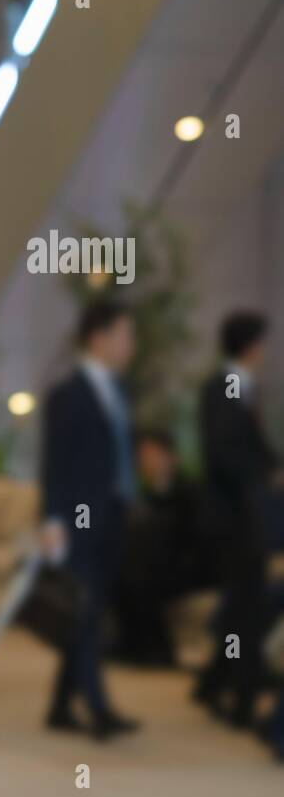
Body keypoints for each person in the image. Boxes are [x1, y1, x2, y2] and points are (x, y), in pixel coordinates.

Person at [40, 300, 141, 740]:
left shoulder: (120, 391)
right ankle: (98, 709)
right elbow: (55, 464)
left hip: (112, 517)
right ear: (98, 337)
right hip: (77, 522)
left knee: (87, 609)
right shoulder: (68, 393)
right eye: (125, 335)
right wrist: (51, 521)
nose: (131, 346)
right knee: (84, 614)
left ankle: (60, 705)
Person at [193, 312, 279, 730]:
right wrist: (266, 475)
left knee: (239, 607)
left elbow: (248, 447)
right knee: (245, 610)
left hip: (245, 518)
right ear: (250, 345)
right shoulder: (226, 386)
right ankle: (241, 697)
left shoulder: (242, 387)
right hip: (235, 520)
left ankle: (214, 683)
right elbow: (225, 453)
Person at [112, 429, 206, 668]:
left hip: (192, 566)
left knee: (144, 581)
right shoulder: (146, 493)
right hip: (157, 565)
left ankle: (160, 651)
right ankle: (133, 646)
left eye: (152, 455)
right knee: (124, 577)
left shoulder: (189, 490)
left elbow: (193, 539)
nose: (146, 461)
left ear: (170, 456)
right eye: (143, 456)